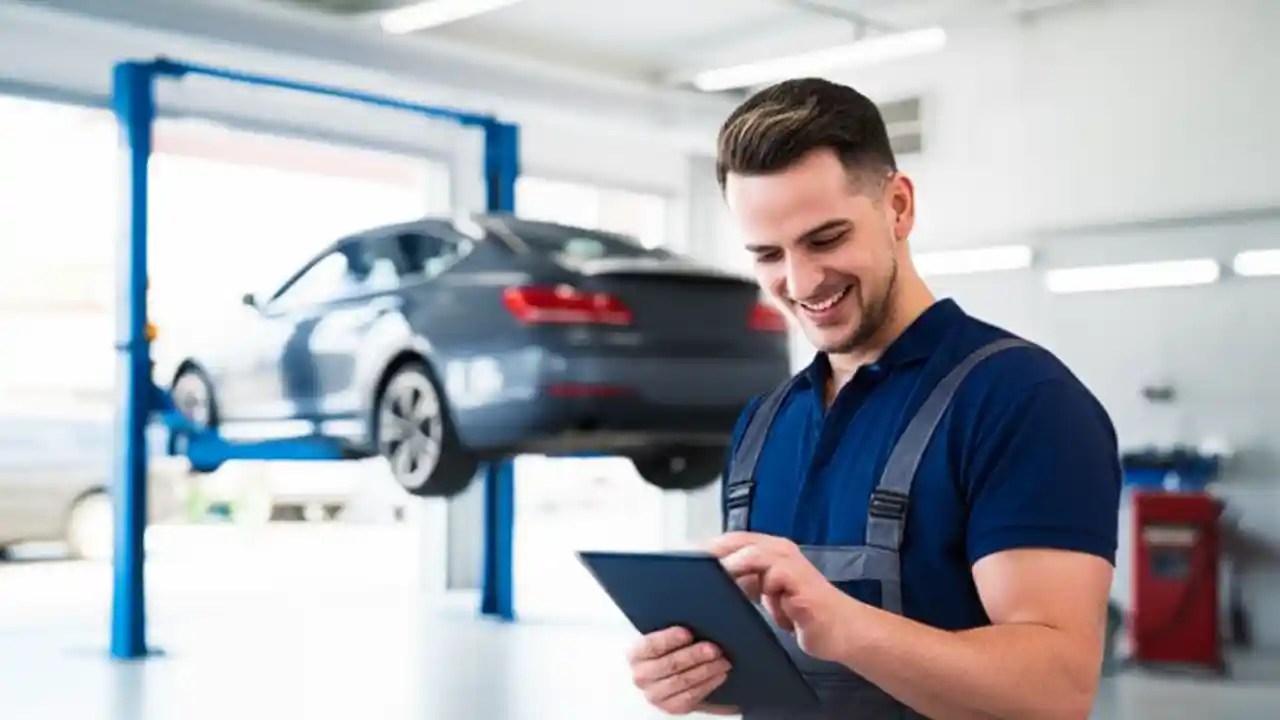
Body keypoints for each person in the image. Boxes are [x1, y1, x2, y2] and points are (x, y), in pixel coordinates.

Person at [626, 78, 1122, 719]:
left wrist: (848, 627)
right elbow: (785, 681)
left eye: (826, 239)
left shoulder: (1024, 403)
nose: (800, 281)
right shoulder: (765, 424)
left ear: (898, 206)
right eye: (769, 254)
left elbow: (1054, 693)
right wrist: (694, 674)